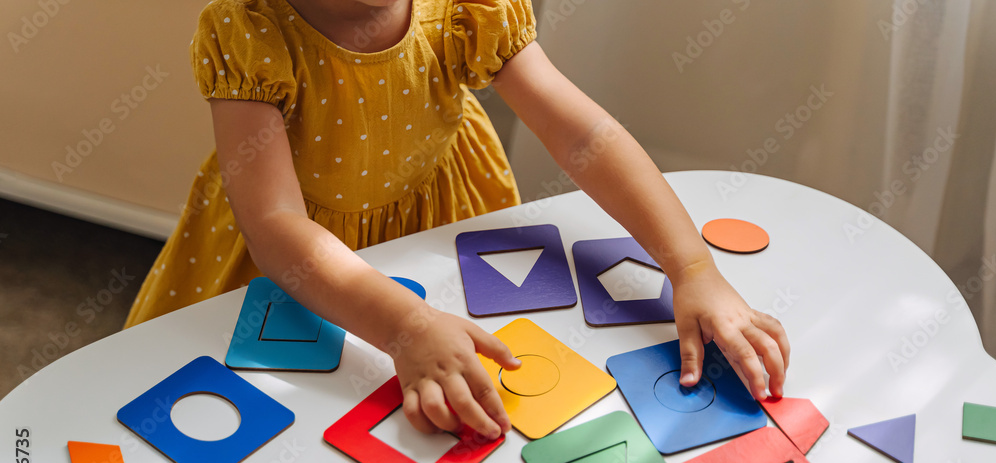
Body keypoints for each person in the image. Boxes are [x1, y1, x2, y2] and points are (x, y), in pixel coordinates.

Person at [126, 0, 790, 440]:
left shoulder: (466, 8)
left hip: (440, 222)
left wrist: (692, 265)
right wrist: (405, 323)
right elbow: (274, 223)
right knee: (231, 430)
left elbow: (579, 128)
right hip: (299, 261)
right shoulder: (249, 28)